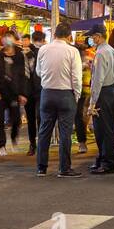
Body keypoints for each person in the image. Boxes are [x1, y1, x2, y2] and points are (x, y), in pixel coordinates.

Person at [35, 24, 84, 178]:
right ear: (69, 36)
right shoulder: (72, 51)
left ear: (54, 34)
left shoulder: (43, 49)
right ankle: (64, 168)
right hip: (65, 95)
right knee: (65, 133)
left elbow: (38, 71)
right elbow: (76, 77)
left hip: (47, 93)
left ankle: (41, 168)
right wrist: (76, 95)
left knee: (44, 132)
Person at [89, 26, 114, 174]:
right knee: (109, 128)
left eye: (93, 37)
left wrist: (92, 102)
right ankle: (103, 158)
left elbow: (98, 80)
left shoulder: (101, 53)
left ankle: (107, 162)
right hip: (112, 91)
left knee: (102, 129)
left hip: (103, 93)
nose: (92, 40)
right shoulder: (113, 51)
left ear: (98, 36)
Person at [0, 33, 27, 155]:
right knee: (0, 120)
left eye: (10, 39)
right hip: (0, 92)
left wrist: (22, 93)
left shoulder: (20, 56)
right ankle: (2, 146)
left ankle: (14, 139)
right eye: (5, 39)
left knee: (16, 120)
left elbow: (23, 76)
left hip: (15, 93)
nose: (7, 42)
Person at [22, 30, 45, 155]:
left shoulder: (29, 53)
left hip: (33, 90)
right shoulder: (27, 53)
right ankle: (35, 144)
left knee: (35, 118)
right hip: (37, 89)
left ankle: (34, 145)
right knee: (37, 118)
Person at [73, 38, 95, 154]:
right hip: (77, 91)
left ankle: (82, 142)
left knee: (79, 115)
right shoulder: (85, 60)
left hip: (82, 91)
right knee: (80, 115)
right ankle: (82, 142)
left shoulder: (88, 60)